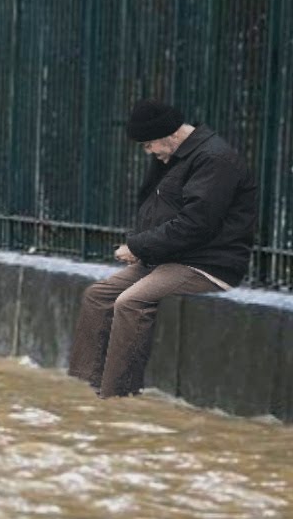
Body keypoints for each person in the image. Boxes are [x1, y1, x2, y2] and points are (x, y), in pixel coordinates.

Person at [67, 99, 258, 398]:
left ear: (169, 134)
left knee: (130, 302)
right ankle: (83, 389)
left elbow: (196, 224)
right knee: (98, 296)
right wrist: (143, 248)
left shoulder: (214, 159)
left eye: (148, 144)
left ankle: (119, 395)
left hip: (207, 263)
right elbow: (157, 209)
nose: (148, 151)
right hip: (170, 258)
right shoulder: (174, 157)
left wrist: (138, 246)